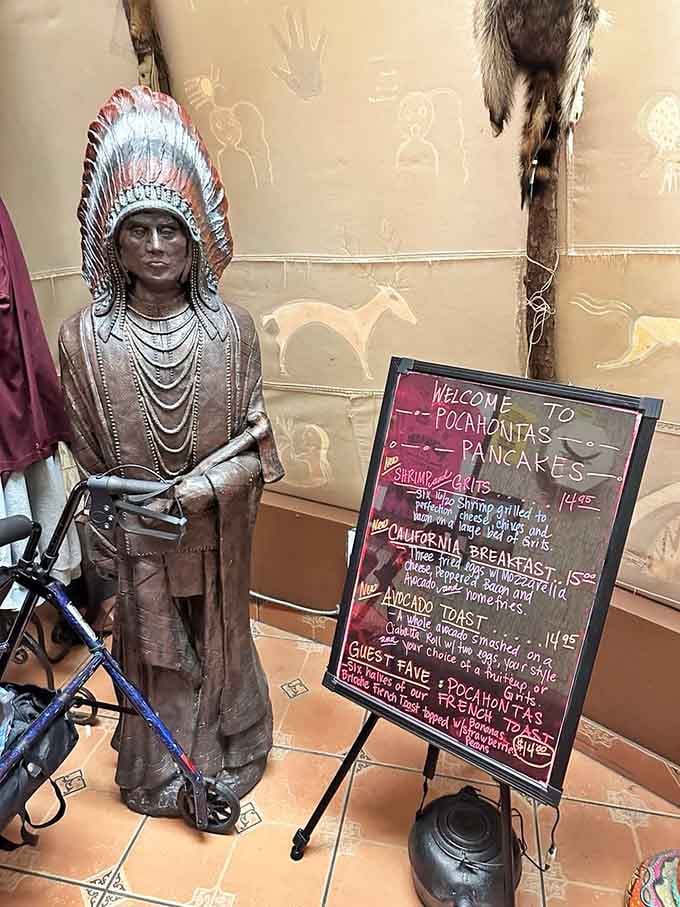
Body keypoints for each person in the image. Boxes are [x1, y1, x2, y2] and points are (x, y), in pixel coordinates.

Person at [59, 86, 283, 817]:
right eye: (139, 230)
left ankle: (228, 745)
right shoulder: (85, 342)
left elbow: (260, 454)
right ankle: (159, 763)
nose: (156, 247)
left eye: (171, 231)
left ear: (197, 242)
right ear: (112, 242)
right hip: (139, 542)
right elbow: (91, 469)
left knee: (219, 643)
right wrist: (129, 521)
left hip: (217, 539)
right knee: (155, 653)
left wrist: (201, 493)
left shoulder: (232, 333)